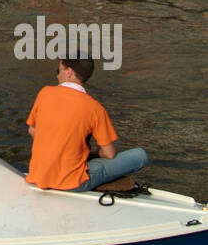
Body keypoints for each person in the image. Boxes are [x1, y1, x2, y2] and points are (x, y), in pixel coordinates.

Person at [26, 54, 149, 192]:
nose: (57, 76)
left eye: (58, 70)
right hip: (72, 183)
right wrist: (94, 153)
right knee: (140, 155)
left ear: (69, 72)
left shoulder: (44, 93)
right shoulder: (95, 108)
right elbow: (109, 154)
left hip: (38, 176)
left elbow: (32, 130)